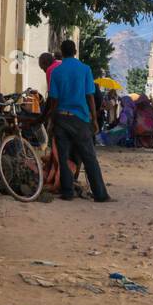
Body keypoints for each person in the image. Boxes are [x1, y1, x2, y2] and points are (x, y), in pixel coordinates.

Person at [42, 40, 111, 202]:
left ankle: (67, 192)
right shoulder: (85, 69)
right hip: (80, 119)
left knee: (63, 157)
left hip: (61, 118)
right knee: (89, 158)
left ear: (62, 52)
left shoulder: (56, 72)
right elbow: (90, 97)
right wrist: (94, 119)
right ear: (75, 51)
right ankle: (100, 194)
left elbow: (53, 100)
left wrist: (50, 121)